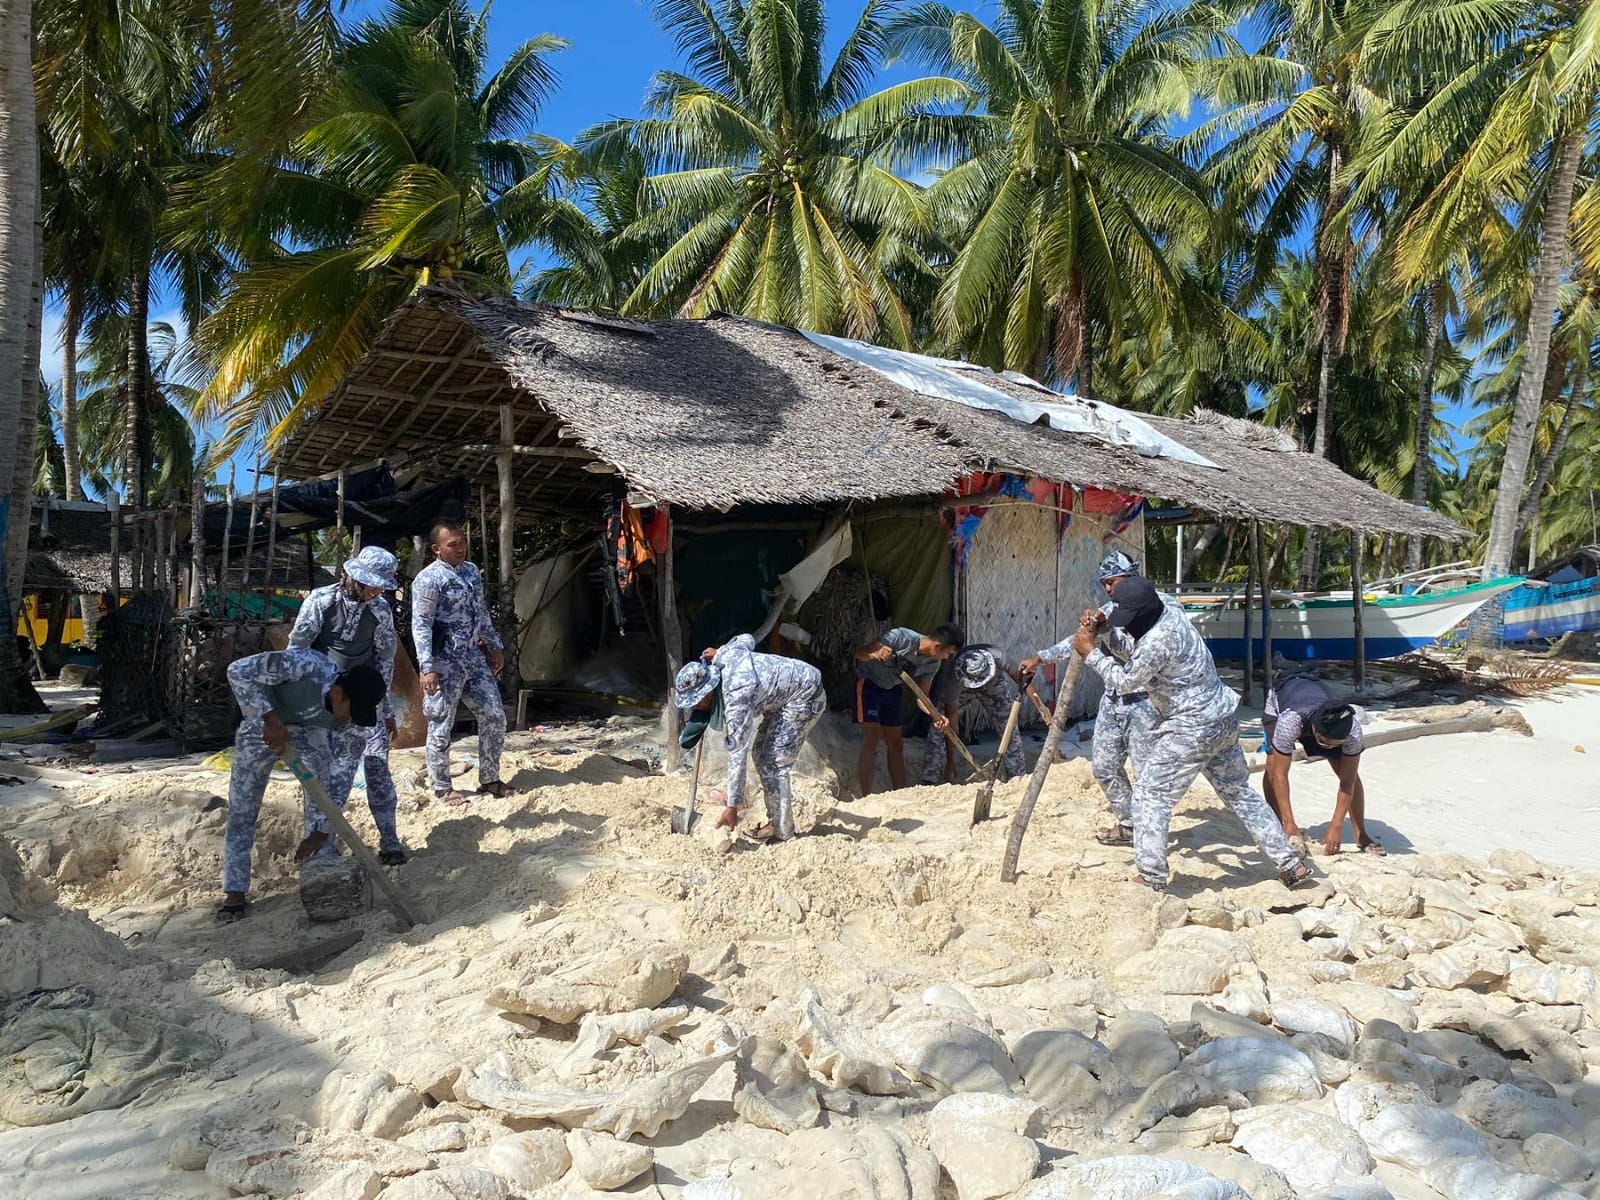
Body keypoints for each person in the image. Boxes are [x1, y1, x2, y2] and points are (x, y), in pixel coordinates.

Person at [1068, 576, 1312, 892]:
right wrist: (1103, 630)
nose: (1126, 626)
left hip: (1193, 727)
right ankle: (1290, 864)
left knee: (1150, 795)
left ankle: (1151, 875)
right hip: (1222, 718)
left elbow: (1127, 679)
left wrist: (1092, 653)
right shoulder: (1169, 611)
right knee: (1239, 792)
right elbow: (1132, 649)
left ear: (1143, 615)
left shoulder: (1158, 641)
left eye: (1129, 620)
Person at [218, 648, 387, 922]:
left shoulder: (349, 725)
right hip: (260, 727)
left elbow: (341, 777)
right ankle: (235, 892)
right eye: (352, 709)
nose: (350, 718)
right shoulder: (306, 667)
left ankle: (321, 878)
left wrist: (324, 828)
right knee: (242, 809)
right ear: (338, 693)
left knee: (320, 801)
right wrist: (270, 719)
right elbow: (237, 670)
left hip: (310, 733)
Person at [1021, 550, 1155, 845]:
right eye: (1105, 583)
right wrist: (1040, 658)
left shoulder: (1153, 609)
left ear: (1130, 577)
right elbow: (1080, 642)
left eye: (1113, 582)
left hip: (1145, 701)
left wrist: (1103, 633)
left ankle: (1150, 836)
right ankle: (1130, 824)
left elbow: (1129, 652)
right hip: (1114, 700)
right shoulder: (1108, 610)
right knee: (1105, 767)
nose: (1108, 589)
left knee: (1146, 774)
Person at [289, 546, 407, 866]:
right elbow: (296, 653)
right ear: (352, 577)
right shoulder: (320, 602)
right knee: (324, 776)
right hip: (323, 699)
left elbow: (384, 659)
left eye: (381, 585)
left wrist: (383, 709)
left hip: (364, 698)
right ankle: (323, 848)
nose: (376, 590)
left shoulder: (380, 610)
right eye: (371, 583)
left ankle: (390, 839)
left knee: (377, 765)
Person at [675, 634, 827, 843]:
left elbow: (737, 752)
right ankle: (776, 820)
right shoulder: (724, 658)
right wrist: (719, 651)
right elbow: (746, 639)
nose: (695, 708)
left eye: (696, 702)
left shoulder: (736, 696)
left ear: (708, 691)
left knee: (774, 763)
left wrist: (732, 806)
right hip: (781, 699)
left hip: (804, 696)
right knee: (760, 754)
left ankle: (783, 833)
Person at [412, 520, 512, 806]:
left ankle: (490, 780)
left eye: (462, 543)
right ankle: (442, 787)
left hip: (472, 658)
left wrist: (494, 645)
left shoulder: (470, 572)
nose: (460, 549)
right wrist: (426, 667)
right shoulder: (428, 580)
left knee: (494, 715)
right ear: (436, 549)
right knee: (441, 722)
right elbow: (421, 624)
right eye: (452, 545)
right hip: (444, 662)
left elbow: (480, 611)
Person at [1262, 675, 1382, 857]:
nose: (1328, 748)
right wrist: (1290, 822)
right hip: (1283, 699)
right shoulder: (1290, 721)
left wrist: (1336, 825)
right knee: (1272, 766)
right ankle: (1279, 824)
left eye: (1335, 744)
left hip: (1321, 715)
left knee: (1347, 772)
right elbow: (1280, 775)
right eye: (1324, 743)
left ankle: (1362, 835)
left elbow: (1348, 782)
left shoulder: (1353, 732)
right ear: (1315, 731)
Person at [852, 623, 962, 795]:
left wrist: (936, 715)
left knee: (896, 743)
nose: (946, 658)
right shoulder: (901, 637)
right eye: (947, 653)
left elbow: (922, 697)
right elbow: (860, 653)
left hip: (893, 689)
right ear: (938, 647)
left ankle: (901, 794)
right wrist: (875, 652)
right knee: (871, 739)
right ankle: (866, 796)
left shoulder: (933, 664)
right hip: (869, 684)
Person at [923, 645, 1026, 785]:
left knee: (1009, 727)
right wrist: (950, 761)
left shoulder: (999, 656)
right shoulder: (954, 677)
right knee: (940, 723)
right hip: (964, 688)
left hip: (993, 685)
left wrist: (1041, 707)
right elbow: (951, 716)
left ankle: (1017, 777)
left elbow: (1024, 681)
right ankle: (930, 777)